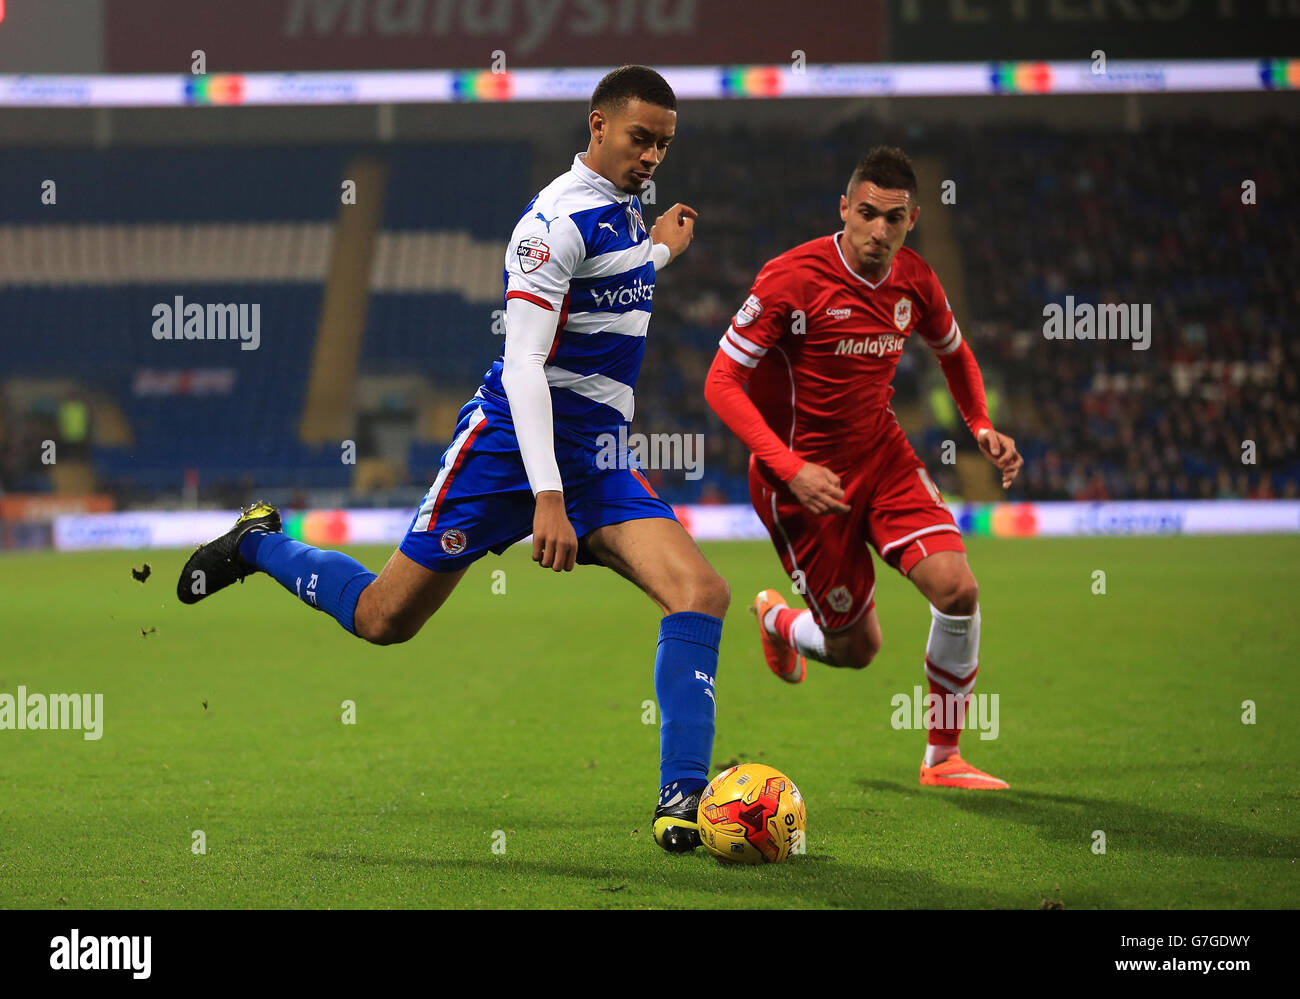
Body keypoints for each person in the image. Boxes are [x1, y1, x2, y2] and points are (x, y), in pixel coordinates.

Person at [178, 65, 729, 850]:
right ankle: (259, 541)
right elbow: (524, 366)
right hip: (508, 453)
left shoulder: (620, 214)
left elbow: (607, 287)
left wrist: (658, 255)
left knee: (700, 592)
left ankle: (683, 800)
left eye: (664, 145)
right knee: (383, 619)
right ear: (597, 126)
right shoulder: (551, 223)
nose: (651, 158)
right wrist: (546, 496)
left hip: (597, 459)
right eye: (640, 139)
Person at [704, 146, 1022, 789]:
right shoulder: (789, 280)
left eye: (895, 219)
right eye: (869, 214)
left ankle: (943, 758)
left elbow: (955, 355)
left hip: (882, 459)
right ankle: (779, 621)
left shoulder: (917, 281)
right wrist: (789, 467)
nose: (880, 231)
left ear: (913, 219)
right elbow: (721, 383)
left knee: (958, 590)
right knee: (857, 649)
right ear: (844, 209)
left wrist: (982, 426)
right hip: (800, 487)